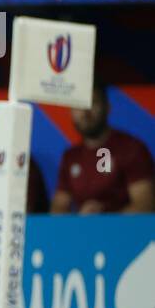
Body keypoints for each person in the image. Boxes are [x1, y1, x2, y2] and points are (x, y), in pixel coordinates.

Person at [51, 85, 155, 213]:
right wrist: (78, 222)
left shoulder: (131, 148)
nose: (85, 112)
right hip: (82, 231)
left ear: (107, 108)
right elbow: (59, 206)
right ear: (70, 112)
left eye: (93, 103)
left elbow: (145, 204)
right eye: (78, 105)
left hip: (125, 231)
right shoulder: (70, 156)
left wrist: (104, 220)